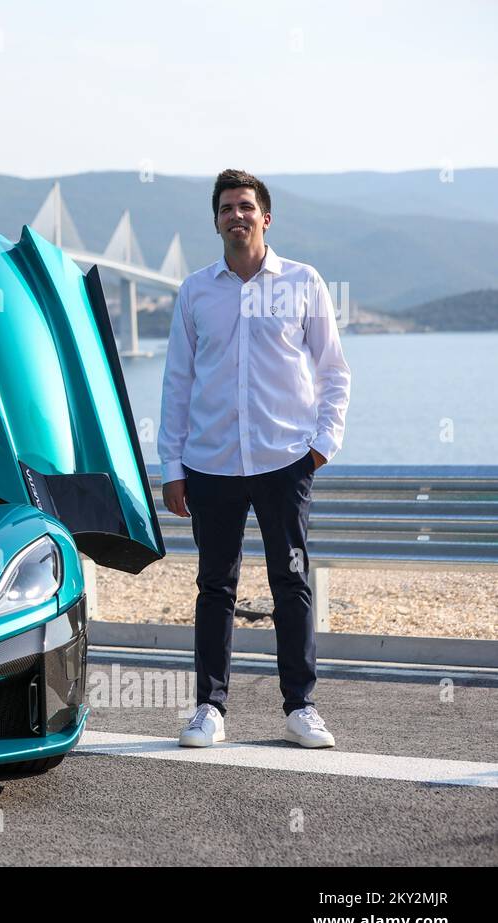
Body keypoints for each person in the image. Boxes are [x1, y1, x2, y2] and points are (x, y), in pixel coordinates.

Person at [157, 169, 352, 749]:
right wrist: (172, 466)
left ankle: (300, 707)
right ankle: (209, 708)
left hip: (284, 461)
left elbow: (334, 370)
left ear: (266, 217)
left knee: (290, 583)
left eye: (246, 206)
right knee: (214, 586)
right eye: (226, 208)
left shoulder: (302, 282)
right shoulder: (195, 291)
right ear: (215, 221)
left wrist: (322, 443)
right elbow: (177, 383)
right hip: (211, 465)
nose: (236, 216)